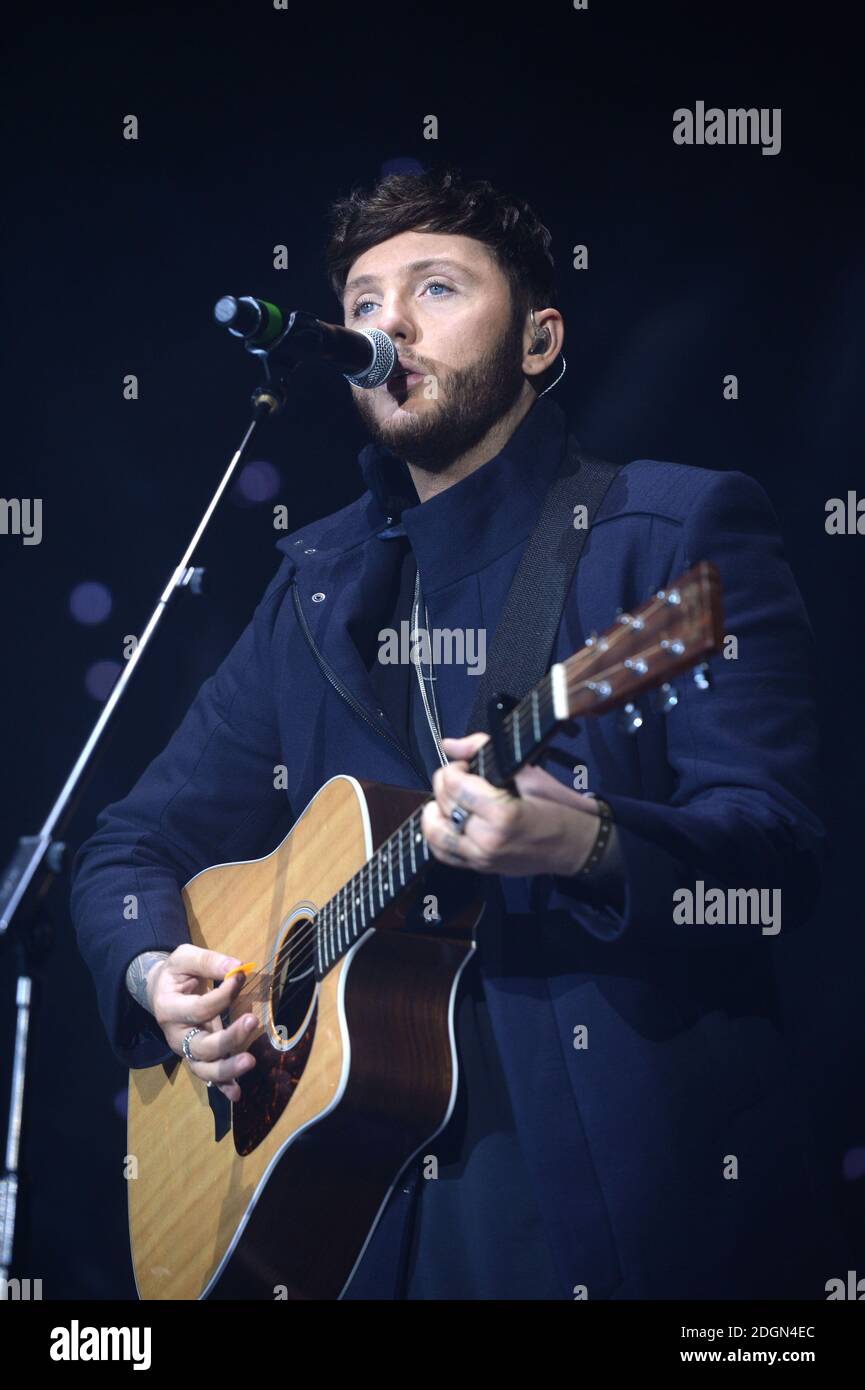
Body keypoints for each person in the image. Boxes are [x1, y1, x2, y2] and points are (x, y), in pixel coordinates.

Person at [71, 165, 828, 1300]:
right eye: (365, 303)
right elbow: (126, 846)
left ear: (537, 339)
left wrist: (587, 844)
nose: (387, 326)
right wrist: (149, 974)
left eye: (435, 288)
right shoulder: (317, 586)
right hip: (355, 1223)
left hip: (608, 1198)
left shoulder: (668, 533)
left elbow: (778, 859)